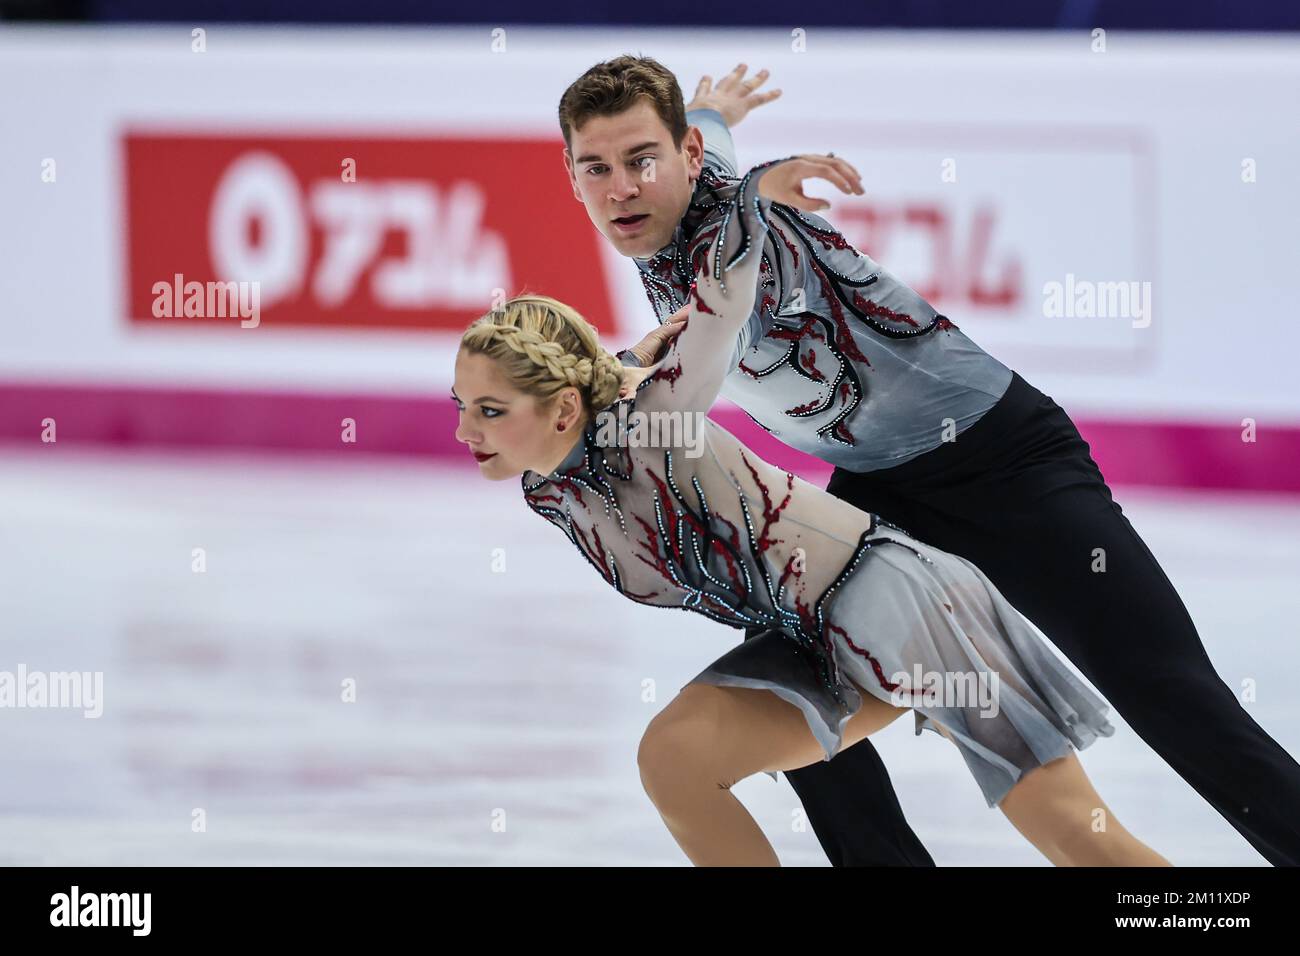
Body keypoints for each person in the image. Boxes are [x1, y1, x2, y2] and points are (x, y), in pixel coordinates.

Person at [554, 55, 1300, 867]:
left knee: (1169, 691)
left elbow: (737, 221)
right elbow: (717, 155)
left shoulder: (729, 222)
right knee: (796, 682)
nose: (622, 187)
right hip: (878, 494)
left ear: (687, 158)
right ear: (572, 176)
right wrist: (715, 111)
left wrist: (760, 176)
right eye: (597, 168)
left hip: (1006, 459)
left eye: (643, 160)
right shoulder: (679, 188)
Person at [453, 153, 1172, 866]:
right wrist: (626, 358)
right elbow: (600, 397)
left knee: (1080, 837)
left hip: (905, 605)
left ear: (564, 405)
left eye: (489, 410)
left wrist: (755, 193)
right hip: (812, 639)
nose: (465, 432)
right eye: (463, 408)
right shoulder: (550, 485)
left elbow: (720, 304)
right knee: (673, 757)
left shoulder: (654, 419)